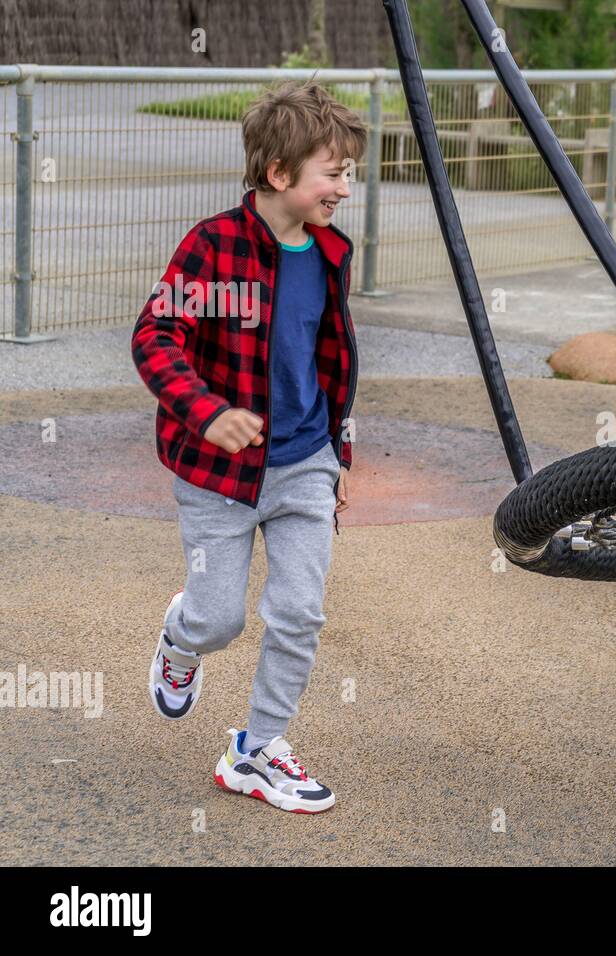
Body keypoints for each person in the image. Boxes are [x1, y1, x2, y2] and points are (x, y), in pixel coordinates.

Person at [130, 80, 365, 813]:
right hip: (218, 476)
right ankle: (182, 636)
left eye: (348, 174)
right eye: (333, 173)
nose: (344, 190)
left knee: (300, 611)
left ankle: (258, 751)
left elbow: (330, 361)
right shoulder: (212, 247)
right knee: (219, 618)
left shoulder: (329, 252)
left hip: (304, 465)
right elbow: (153, 337)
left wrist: (339, 455)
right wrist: (206, 412)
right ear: (279, 174)